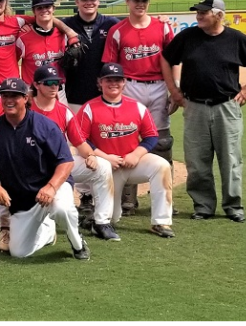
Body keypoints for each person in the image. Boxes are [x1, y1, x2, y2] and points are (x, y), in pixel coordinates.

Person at [161, 0, 246, 223]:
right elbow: (166, 58)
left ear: (218, 15)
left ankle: (233, 205)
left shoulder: (235, 39)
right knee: (197, 160)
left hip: (226, 106)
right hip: (195, 105)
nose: (198, 15)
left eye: (203, 12)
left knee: (230, 159)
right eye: (197, 11)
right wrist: (174, 90)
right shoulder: (188, 37)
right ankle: (203, 205)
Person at [0, 77, 89, 260]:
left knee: (62, 209)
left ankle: (77, 242)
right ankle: (47, 232)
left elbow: (66, 161)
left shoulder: (44, 125)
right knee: (19, 252)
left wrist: (52, 186)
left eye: (15, 96)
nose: (8, 100)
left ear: (26, 98)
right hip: (22, 201)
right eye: (5, 95)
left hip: (51, 188)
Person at [74, 63, 175, 238]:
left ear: (124, 82)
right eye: (108, 80)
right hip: (107, 167)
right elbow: (80, 140)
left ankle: (161, 222)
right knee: (112, 218)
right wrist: (105, 157)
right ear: (100, 83)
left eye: (117, 80)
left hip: (131, 161)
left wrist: (136, 154)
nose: (113, 83)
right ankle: (91, 218)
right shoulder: (89, 108)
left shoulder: (137, 107)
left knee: (162, 166)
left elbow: (151, 135)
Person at [102, 0, 177, 216]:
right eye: (136, 0)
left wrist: (175, 90)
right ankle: (127, 200)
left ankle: (165, 199)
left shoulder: (163, 28)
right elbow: (110, 66)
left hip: (158, 85)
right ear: (127, 1)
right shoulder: (118, 30)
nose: (140, 4)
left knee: (162, 141)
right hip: (130, 86)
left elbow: (173, 60)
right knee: (127, 138)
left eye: (144, 0)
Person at [28, 65, 117, 241]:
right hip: (31, 169)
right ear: (36, 85)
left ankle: (101, 223)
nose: (55, 87)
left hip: (60, 167)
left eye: (58, 84)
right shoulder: (26, 108)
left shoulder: (64, 111)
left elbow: (80, 142)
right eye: (49, 83)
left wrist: (90, 156)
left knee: (103, 166)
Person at [60, 0, 120, 223]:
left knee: (102, 142)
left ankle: (107, 192)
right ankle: (85, 196)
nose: (89, 2)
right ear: (77, 2)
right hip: (74, 95)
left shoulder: (111, 24)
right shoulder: (67, 25)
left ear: (98, 1)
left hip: (101, 97)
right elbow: (47, 19)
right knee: (80, 147)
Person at [16, 0, 68, 102]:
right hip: (33, 93)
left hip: (59, 91)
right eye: (39, 7)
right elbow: (12, 64)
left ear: (53, 8)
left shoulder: (64, 34)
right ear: (33, 11)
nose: (44, 10)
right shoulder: (23, 37)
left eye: (47, 6)